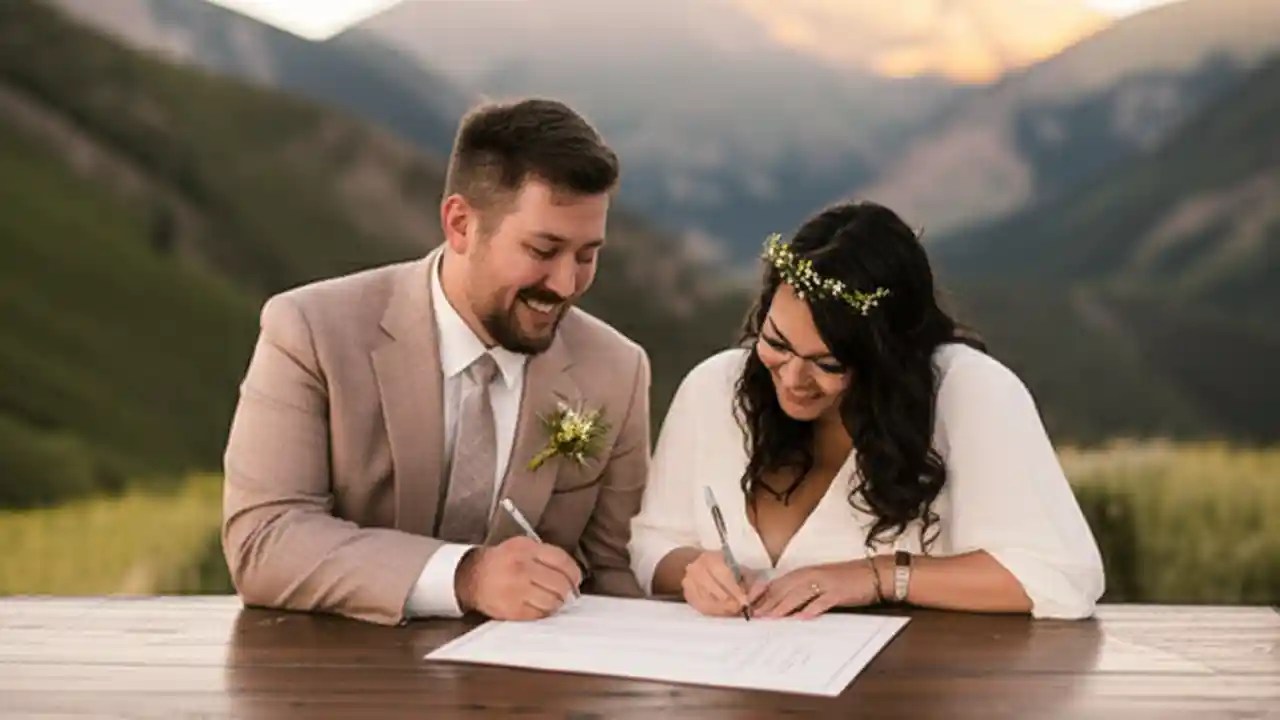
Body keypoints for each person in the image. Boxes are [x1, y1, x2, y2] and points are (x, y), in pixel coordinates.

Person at [222, 98, 650, 626]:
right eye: (543, 251)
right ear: (460, 223)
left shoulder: (618, 369)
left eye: (587, 256)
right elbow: (264, 540)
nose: (566, 285)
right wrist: (467, 577)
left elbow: (620, 569)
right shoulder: (310, 331)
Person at [628, 200, 1104, 620]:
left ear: (887, 357)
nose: (793, 379)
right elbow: (652, 544)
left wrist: (877, 577)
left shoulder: (969, 391)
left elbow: (1061, 578)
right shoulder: (713, 388)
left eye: (828, 363)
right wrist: (694, 572)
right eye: (776, 343)